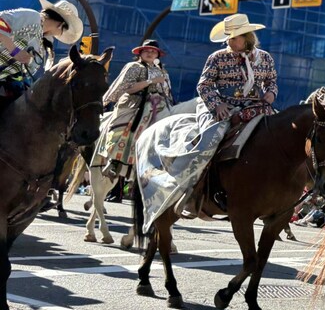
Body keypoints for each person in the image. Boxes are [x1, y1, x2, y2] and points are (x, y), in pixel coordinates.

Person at [179, 14, 277, 218]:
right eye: (229, 38)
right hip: (225, 107)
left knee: (281, 137)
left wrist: (271, 93)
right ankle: (194, 194)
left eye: (234, 37)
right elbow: (203, 85)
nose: (229, 41)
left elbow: (272, 81)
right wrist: (217, 105)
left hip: (256, 107)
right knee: (208, 142)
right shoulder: (217, 57)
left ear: (246, 36)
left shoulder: (265, 58)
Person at [92, 40, 175, 179]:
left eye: (153, 51)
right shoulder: (134, 66)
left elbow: (167, 93)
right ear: (140, 53)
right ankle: (115, 161)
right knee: (123, 127)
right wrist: (151, 82)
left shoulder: (162, 72)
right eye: (147, 50)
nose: (150, 53)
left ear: (158, 55)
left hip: (158, 104)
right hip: (134, 102)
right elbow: (127, 88)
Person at [0, 0, 83, 115]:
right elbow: (1, 21)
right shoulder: (33, 17)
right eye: (62, 31)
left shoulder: (44, 44)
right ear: (61, 25)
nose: (59, 35)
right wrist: (15, 51)